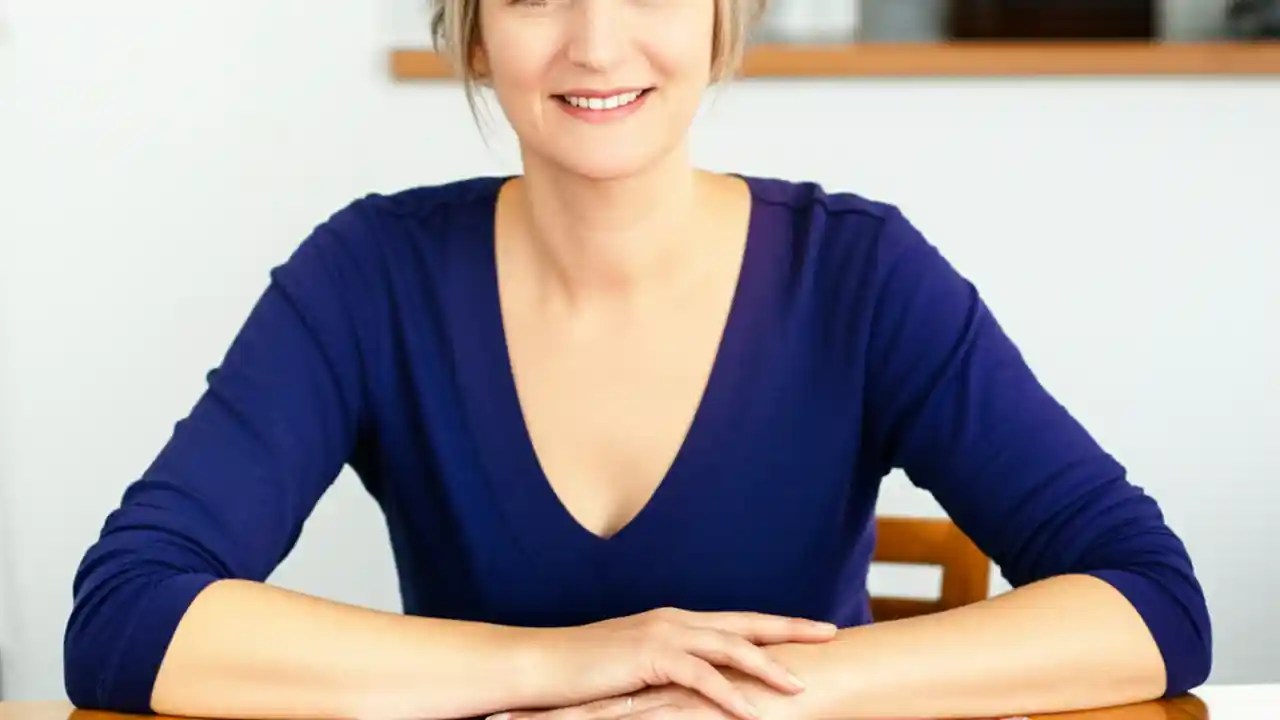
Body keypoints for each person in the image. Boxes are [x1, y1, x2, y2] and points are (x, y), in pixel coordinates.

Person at [62, 0, 1212, 718]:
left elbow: (1146, 602)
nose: (596, 42)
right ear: (469, 26)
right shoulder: (369, 276)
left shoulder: (858, 273)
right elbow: (128, 618)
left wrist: (741, 702)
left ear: (724, 12)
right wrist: (572, 666)